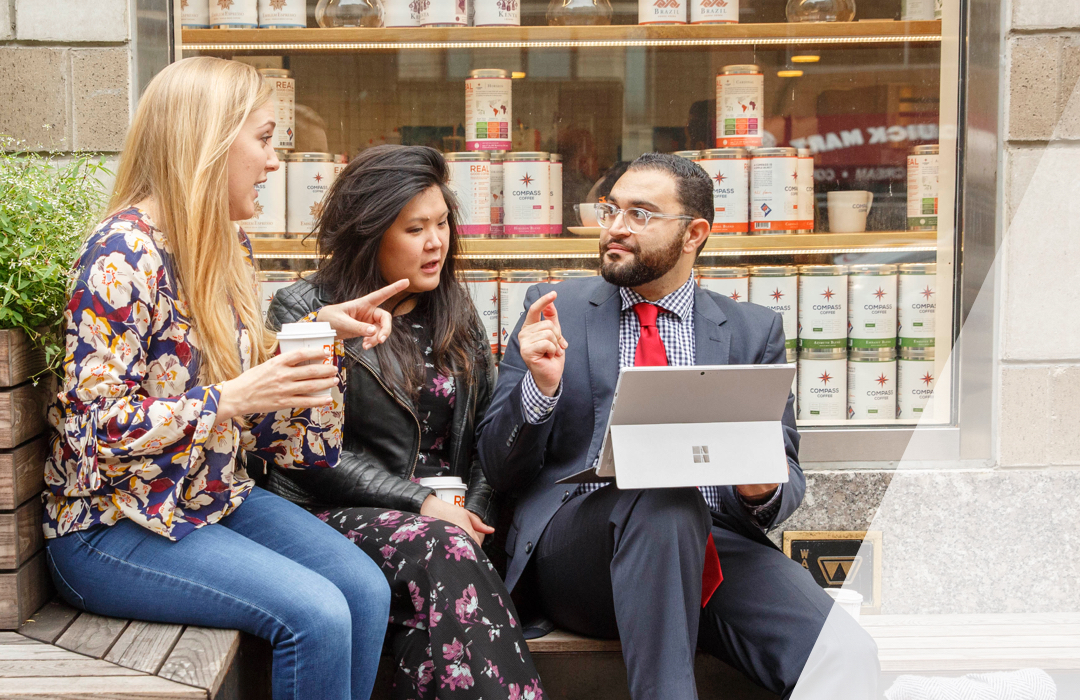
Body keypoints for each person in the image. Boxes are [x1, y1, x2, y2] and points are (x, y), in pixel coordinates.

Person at [42, 57, 405, 700]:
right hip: (112, 525)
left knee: (365, 589)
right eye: (264, 140)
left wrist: (314, 337)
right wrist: (229, 399)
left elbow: (280, 437)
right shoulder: (121, 254)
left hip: (209, 499)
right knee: (316, 617)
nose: (274, 162)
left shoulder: (226, 244)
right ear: (208, 141)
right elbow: (90, 429)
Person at [476, 153, 880, 700]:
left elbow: (784, 475)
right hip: (581, 551)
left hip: (716, 545)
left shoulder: (751, 331)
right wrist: (540, 388)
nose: (616, 227)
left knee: (845, 653)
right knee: (664, 502)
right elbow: (499, 468)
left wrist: (760, 488)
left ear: (694, 233)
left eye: (640, 214)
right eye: (611, 210)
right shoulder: (556, 309)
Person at [266, 144, 545, 700]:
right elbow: (307, 452)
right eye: (415, 229)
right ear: (370, 235)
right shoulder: (303, 308)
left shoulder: (456, 311)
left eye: (442, 223)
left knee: (433, 622)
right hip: (334, 511)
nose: (436, 242)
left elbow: (484, 439)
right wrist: (424, 505)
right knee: (441, 548)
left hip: (448, 526)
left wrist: (475, 513)